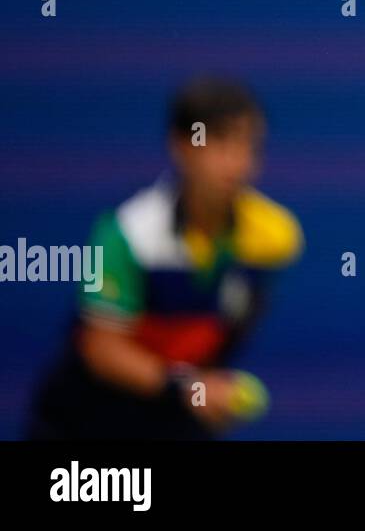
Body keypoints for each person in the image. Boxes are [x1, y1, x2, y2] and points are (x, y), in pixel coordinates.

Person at [26, 77, 302, 440]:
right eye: (218, 141)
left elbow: (224, 327)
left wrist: (201, 388)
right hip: (85, 421)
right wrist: (190, 388)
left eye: (248, 145)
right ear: (181, 146)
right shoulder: (124, 232)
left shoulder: (275, 237)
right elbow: (101, 348)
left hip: (175, 420)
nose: (237, 162)